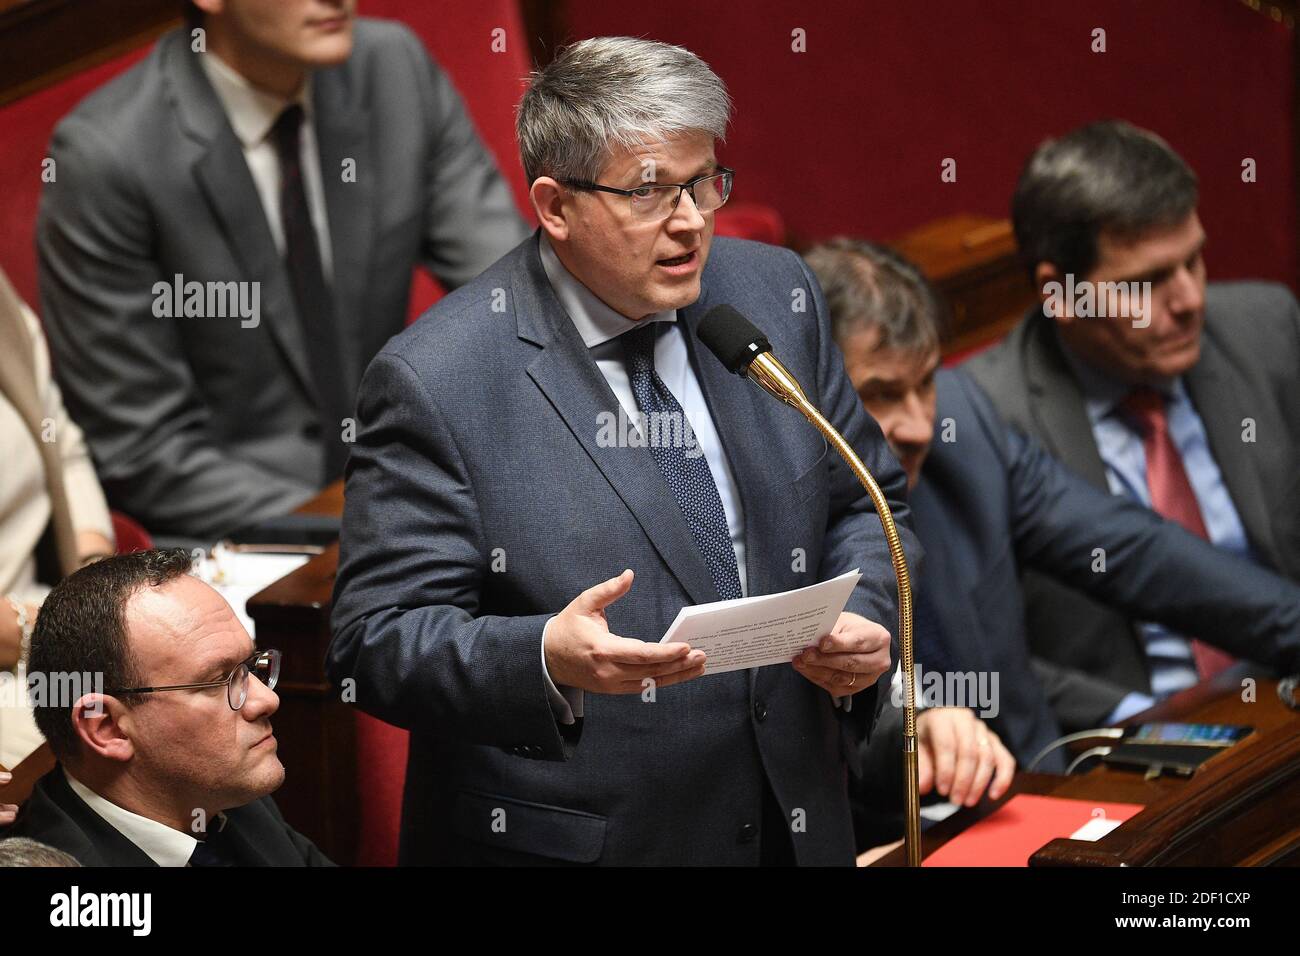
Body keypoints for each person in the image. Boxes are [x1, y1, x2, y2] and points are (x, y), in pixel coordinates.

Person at [327, 37, 920, 866]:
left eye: (703, 182)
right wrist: (542, 656)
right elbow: (375, 639)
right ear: (555, 205)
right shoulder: (441, 379)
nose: (689, 220)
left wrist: (861, 618)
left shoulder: (773, 295)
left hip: (794, 815)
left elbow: (868, 501)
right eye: (648, 191)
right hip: (590, 842)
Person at [37, 0, 528, 540]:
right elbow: (145, 451)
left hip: (410, 490)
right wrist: (383, 523)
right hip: (244, 542)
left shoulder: (393, 68)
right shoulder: (107, 156)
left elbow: (517, 303)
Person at [806, 240, 1300, 771]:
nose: (920, 425)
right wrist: (917, 724)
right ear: (813, 391)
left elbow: (1135, 551)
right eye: (879, 394)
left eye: (925, 383)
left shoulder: (963, 429)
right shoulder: (771, 516)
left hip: (1032, 792)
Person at [965, 120, 1300, 730]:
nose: (1190, 299)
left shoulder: (1267, 329)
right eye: (1146, 283)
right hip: (1131, 743)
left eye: (1194, 260)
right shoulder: (986, 418)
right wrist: (1138, 724)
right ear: (1060, 293)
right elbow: (982, 655)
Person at [6, 550, 333, 866]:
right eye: (218, 681)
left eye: (248, 666)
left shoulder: (223, 797)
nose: (267, 700)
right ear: (107, 728)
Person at [0, 267, 114, 770]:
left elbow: (61, 446)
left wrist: (93, 574)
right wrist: (49, 631)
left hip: (42, 623)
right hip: (21, 654)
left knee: (207, 692)